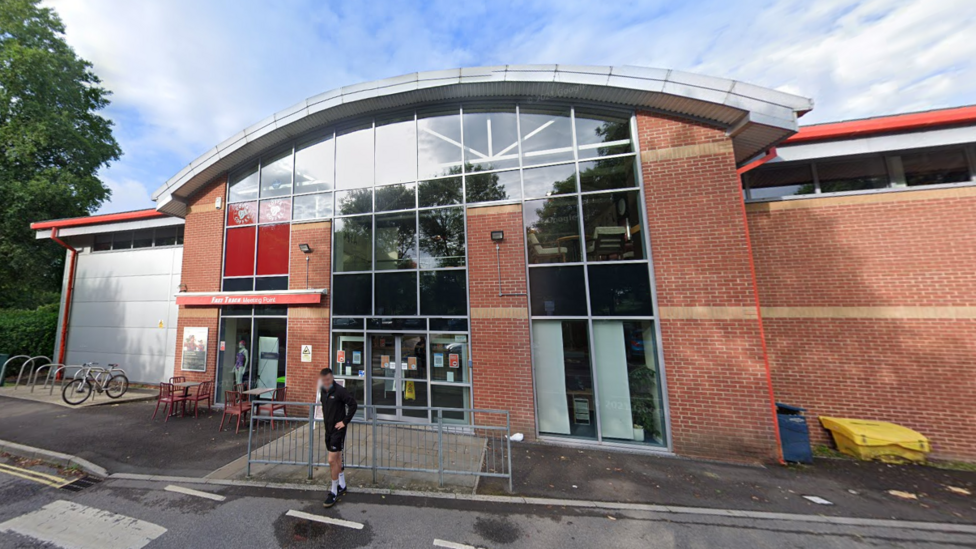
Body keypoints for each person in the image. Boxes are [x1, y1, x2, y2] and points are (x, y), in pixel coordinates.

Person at [316, 368, 357, 508]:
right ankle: (342, 484)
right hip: (328, 430)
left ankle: (333, 492)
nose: (326, 382)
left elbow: (353, 404)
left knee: (331, 460)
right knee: (337, 458)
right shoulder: (323, 390)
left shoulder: (340, 391)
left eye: (328, 379)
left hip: (338, 431)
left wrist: (344, 422)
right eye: (324, 380)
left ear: (332, 378)